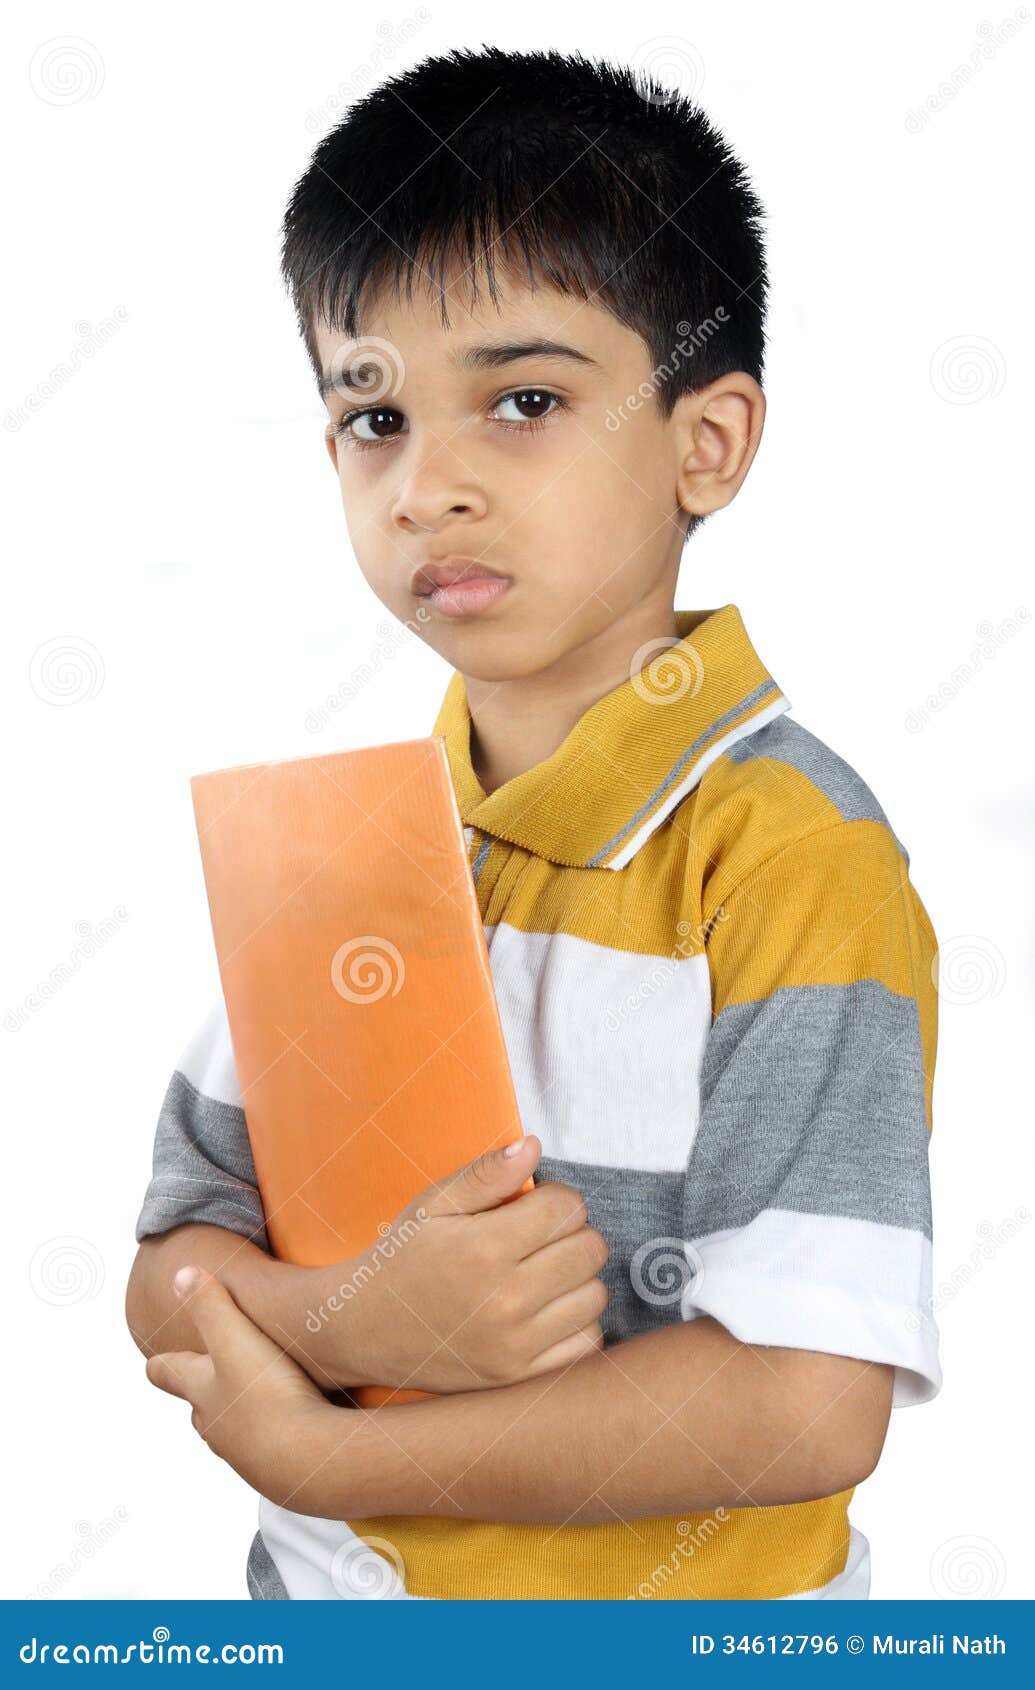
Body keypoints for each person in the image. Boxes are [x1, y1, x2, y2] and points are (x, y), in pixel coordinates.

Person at [125, 44, 942, 1601]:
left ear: (706, 441)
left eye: (522, 400)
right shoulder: (342, 844)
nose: (427, 484)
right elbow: (170, 1268)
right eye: (375, 416)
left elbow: (805, 1397)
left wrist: (329, 1455)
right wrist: (357, 1321)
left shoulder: (789, 859)